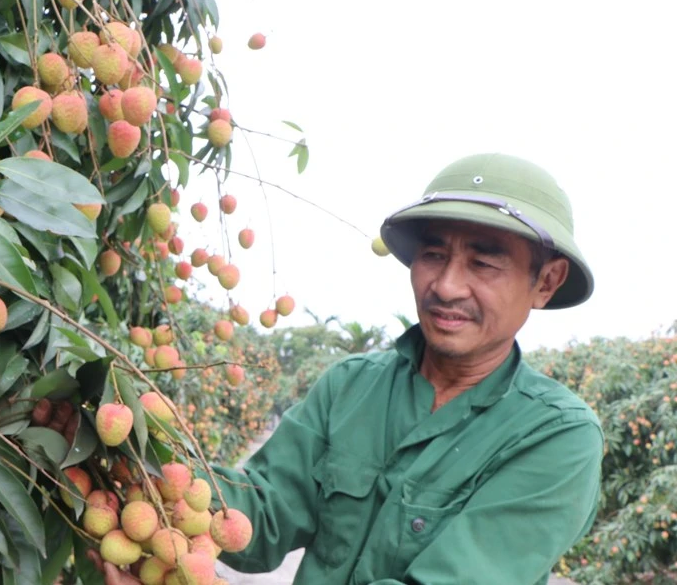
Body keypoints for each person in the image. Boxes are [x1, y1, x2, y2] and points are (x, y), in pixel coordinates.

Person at [96, 153, 603, 584]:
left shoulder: (558, 437)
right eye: (433, 255)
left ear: (546, 282)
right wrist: (137, 465)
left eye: (483, 264)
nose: (447, 285)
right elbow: (261, 515)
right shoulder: (350, 387)